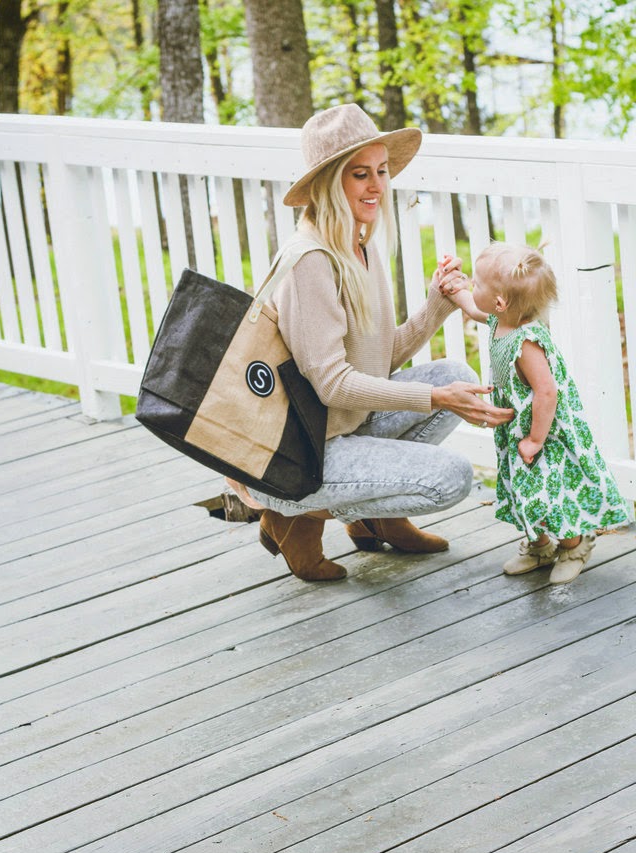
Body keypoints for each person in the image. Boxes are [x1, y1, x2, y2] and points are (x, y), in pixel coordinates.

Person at [234, 103, 514, 583]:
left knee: (456, 376)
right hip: (302, 450)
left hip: (341, 427)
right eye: (359, 174)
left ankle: (374, 518)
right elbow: (333, 385)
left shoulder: (359, 244)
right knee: (453, 477)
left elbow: (376, 360)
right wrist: (430, 398)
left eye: (382, 171)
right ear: (327, 183)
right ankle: (294, 515)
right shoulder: (310, 262)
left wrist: (435, 307)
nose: (377, 186)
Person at [452, 240, 629, 584]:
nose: (472, 287)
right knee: (523, 491)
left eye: (476, 283)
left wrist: (535, 439)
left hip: (545, 434)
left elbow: (547, 391)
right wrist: (456, 291)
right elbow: (475, 310)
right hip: (519, 429)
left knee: (551, 493)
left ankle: (574, 545)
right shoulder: (500, 319)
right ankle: (540, 544)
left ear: (500, 302)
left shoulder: (527, 342)